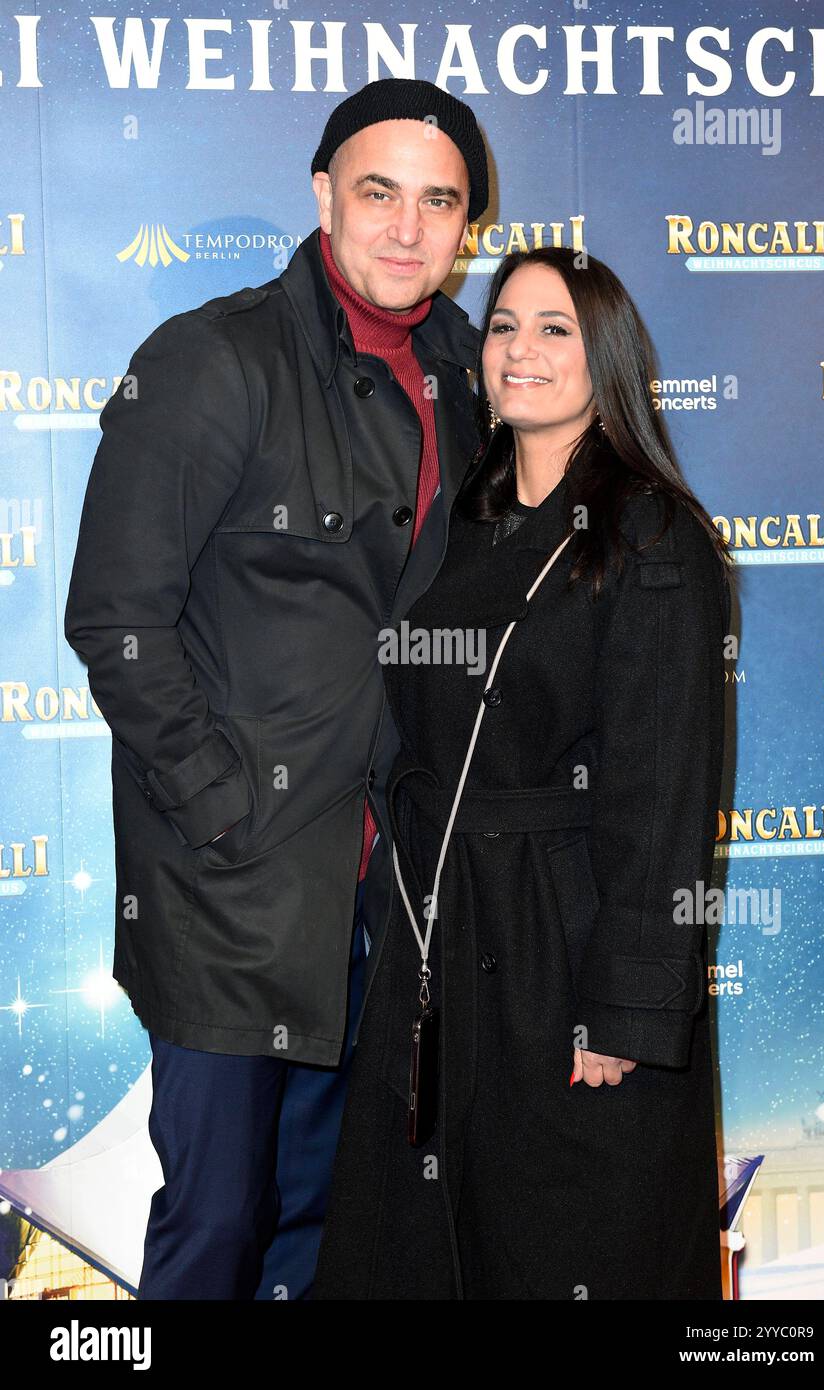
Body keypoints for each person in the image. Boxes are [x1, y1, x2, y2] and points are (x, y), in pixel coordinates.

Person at [63, 77, 489, 1300]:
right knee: (216, 1223)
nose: (407, 228)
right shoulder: (212, 357)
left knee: (324, 1226)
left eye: (439, 201)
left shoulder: (469, 369)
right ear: (322, 196)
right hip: (229, 890)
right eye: (378, 192)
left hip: (384, 891)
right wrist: (221, 808)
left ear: (467, 224)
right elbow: (117, 616)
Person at [312, 246, 736, 1300]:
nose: (521, 349)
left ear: (612, 360)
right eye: (503, 325)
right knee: (424, 1243)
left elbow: (666, 792)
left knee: (568, 1246)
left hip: (570, 952)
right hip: (440, 948)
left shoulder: (653, 535)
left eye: (556, 328)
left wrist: (629, 1009)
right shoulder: (462, 522)